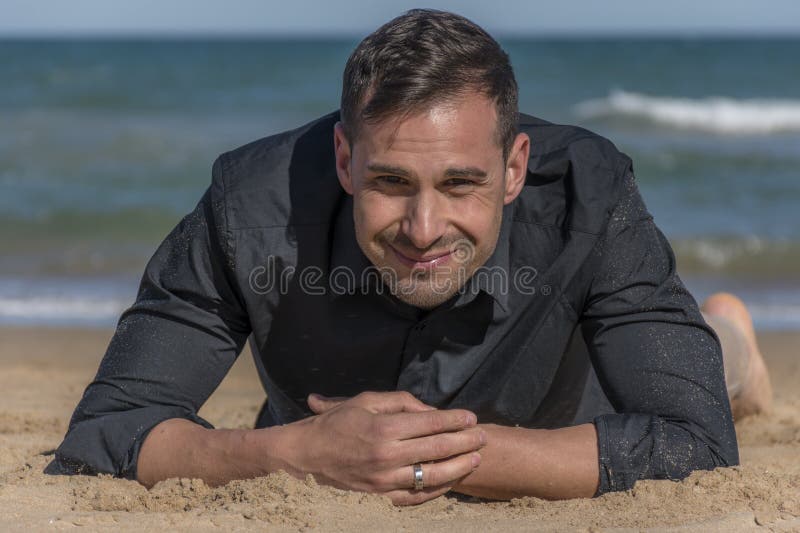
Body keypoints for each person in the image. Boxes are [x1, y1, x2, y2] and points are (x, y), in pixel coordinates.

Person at [48, 9, 772, 505]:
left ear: (515, 168)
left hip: (577, 410)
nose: (424, 228)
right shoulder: (248, 207)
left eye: (461, 183)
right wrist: (295, 454)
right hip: (323, 435)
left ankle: (730, 330)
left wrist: (409, 456)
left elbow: (697, 440)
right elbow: (103, 430)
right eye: (391, 181)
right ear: (343, 157)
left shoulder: (590, 190)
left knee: (721, 365)